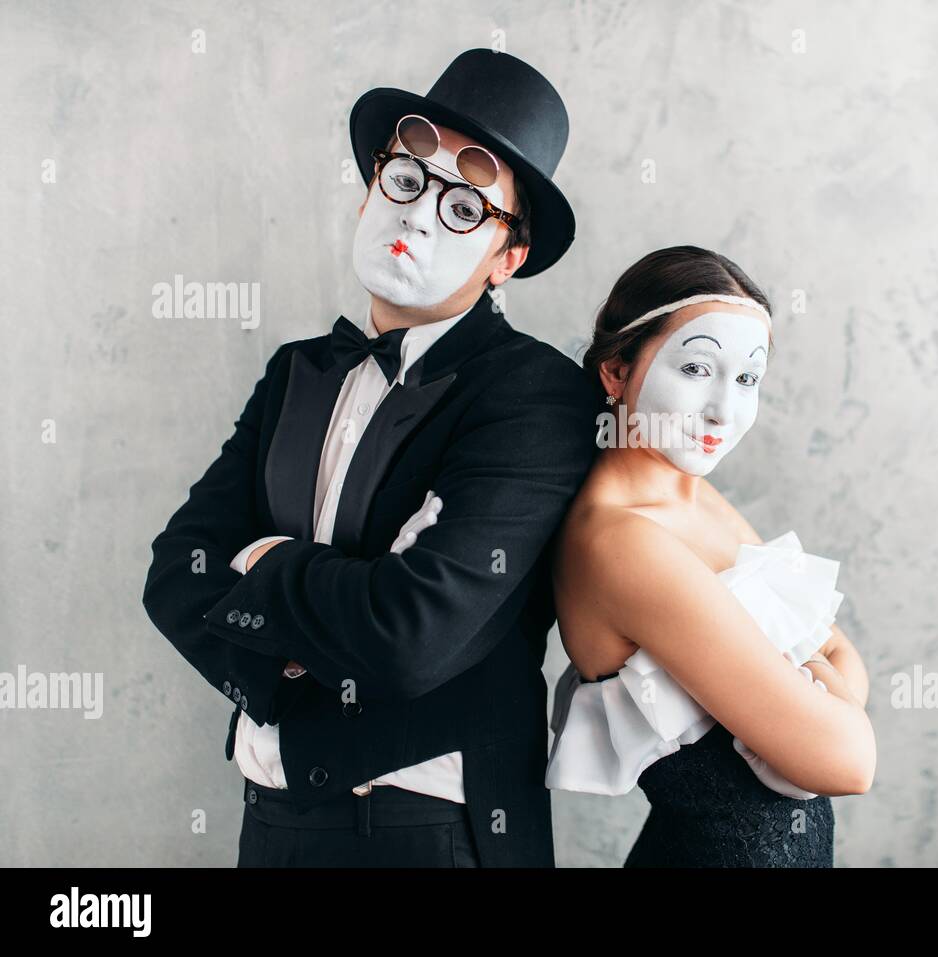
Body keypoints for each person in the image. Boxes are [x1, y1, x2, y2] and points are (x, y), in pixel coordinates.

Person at [142, 49, 600, 867]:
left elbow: (410, 631)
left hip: (430, 837)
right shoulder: (297, 370)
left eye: (465, 206)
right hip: (269, 823)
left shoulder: (537, 396)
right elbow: (176, 572)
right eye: (407, 178)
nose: (421, 215)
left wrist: (266, 562)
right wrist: (284, 669)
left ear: (509, 257)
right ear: (370, 189)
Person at [545, 245, 876, 867]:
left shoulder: (695, 497)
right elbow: (848, 761)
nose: (725, 410)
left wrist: (811, 694)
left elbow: (841, 652)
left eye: (747, 379)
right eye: (697, 369)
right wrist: (809, 698)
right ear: (616, 373)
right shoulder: (622, 541)